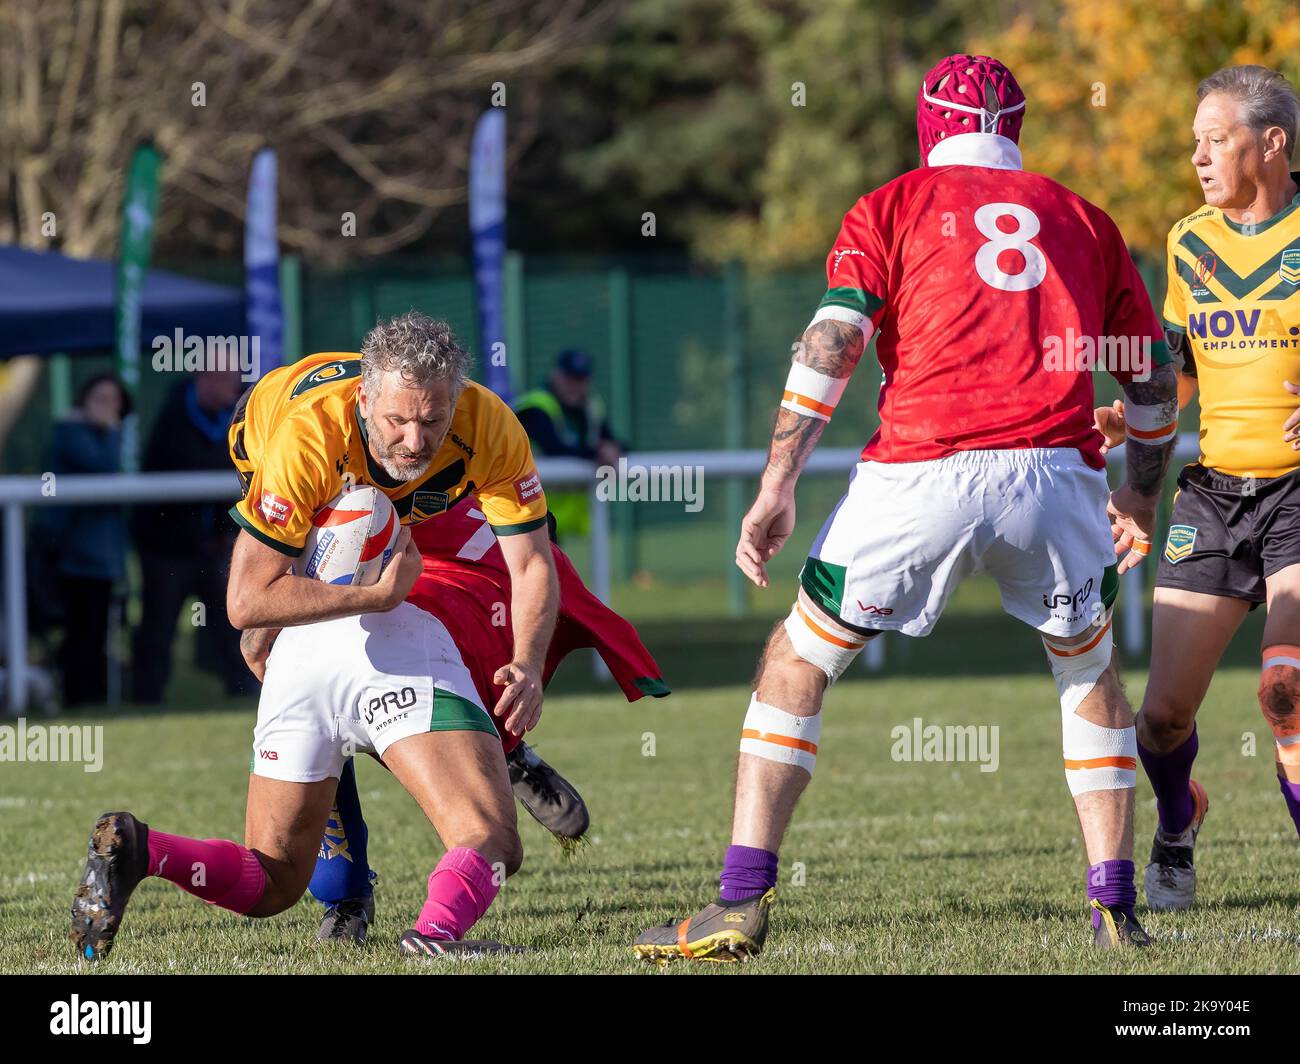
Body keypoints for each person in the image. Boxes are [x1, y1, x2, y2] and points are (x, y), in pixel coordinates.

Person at [634, 53, 1178, 962]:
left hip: (922, 470)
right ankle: (1115, 906)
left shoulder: (889, 205)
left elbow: (832, 340)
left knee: (797, 659)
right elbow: (1153, 380)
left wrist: (777, 483)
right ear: (1018, 127)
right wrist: (1137, 493)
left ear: (927, 125)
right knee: (1087, 671)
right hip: (1053, 471)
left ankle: (738, 900)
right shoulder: (1084, 217)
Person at [70, 499, 668, 961]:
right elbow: (599, 627)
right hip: (405, 650)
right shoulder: (533, 549)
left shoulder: (364, 481)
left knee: (273, 878)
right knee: (489, 838)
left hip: (298, 651)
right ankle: (437, 932)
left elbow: (255, 632)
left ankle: (147, 849)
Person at [1094, 65, 1300, 911]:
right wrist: (1136, 414)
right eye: (1194, 142)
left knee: (1286, 686)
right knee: (1160, 723)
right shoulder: (1189, 240)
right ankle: (1178, 826)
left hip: (1298, 496)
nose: (1198, 157)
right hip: (1213, 497)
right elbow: (1177, 362)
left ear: (1273, 142)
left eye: (1216, 139)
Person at [130, 369, 249, 703]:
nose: (234, 386)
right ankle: (146, 697)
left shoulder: (237, 414)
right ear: (205, 379)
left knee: (232, 618)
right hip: (167, 546)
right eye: (226, 379)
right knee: (159, 624)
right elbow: (187, 463)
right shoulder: (174, 415)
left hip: (215, 542)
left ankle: (243, 692)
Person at [41, 374, 131, 707]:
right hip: (72, 557)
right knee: (79, 633)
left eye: (113, 401)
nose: (108, 408)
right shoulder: (71, 433)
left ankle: (91, 697)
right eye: (100, 398)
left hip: (103, 558)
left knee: (95, 633)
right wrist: (111, 430)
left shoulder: (108, 435)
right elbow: (104, 467)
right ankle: (76, 698)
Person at [513, 348, 623, 538]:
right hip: (525, 513)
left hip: (556, 515)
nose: (575, 385)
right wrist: (598, 453)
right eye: (569, 378)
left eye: (580, 379)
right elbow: (554, 448)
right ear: (555, 375)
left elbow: (613, 440)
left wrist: (612, 448)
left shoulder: (591, 408)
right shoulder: (535, 407)